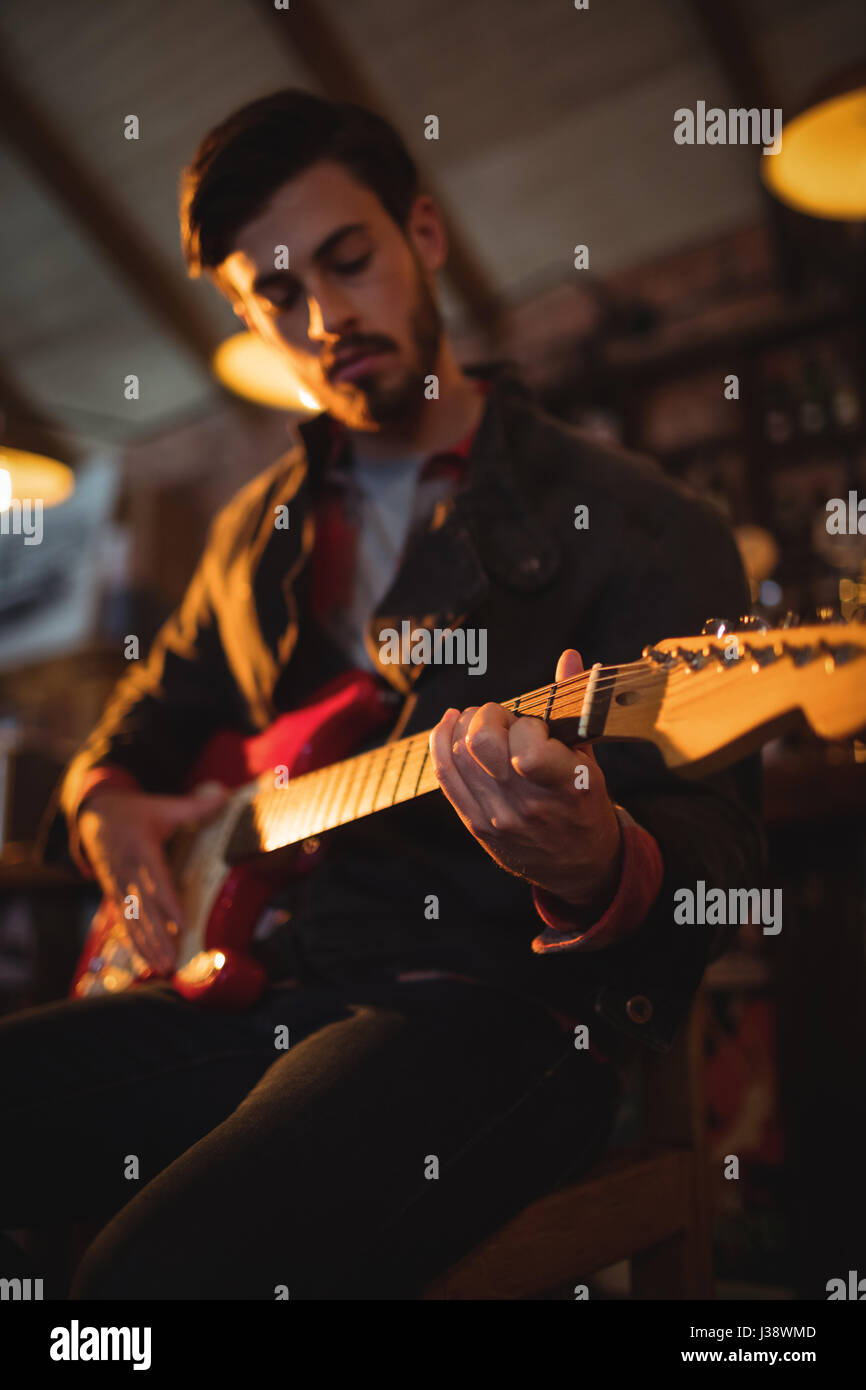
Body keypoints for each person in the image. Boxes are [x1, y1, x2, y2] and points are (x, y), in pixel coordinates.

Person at [0, 91, 763, 1300]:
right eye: (278, 299)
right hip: (255, 989)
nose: (325, 317)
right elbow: (144, 718)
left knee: (141, 1283)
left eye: (347, 260)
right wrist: (105, 803)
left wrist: (597, 858)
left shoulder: (643, 523)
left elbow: (727, 855)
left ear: (424, 233)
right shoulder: (255, 531)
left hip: (481, 1011)